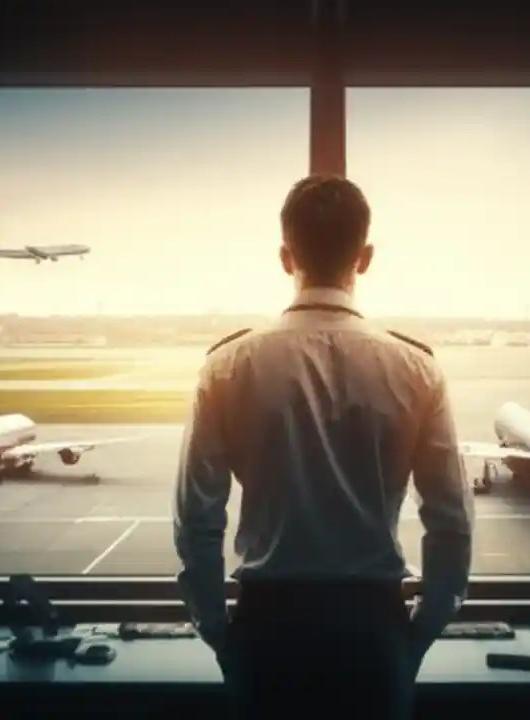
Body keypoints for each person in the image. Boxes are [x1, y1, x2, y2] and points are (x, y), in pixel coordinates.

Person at [172, 175, 474, 719]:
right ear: (366, 256)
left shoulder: (227, 366)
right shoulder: (417, 369)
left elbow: (198, 518)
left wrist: (220, 633)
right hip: (372, 633)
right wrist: (415, 640)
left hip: (267, 633)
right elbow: (451, 522)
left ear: (286, 257)